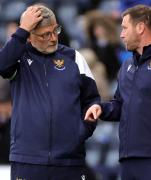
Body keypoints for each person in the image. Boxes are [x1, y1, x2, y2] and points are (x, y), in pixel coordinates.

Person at [0, 3, 100, 180]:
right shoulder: (19, 58)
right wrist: (22, 29)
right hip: (28, 160)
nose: (53, 38)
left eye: (56, 30)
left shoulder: (74, 58)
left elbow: (92, 101)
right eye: (45, 34)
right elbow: (2, 65)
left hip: (69, 162)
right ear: (29, 37)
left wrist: (79, 133)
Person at [85, 4, 151, 180]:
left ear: (141, 27)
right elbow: (120, 105)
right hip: (128, 159)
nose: (121, 34)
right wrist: (101, 108)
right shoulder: (127, 65)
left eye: (124, 28)